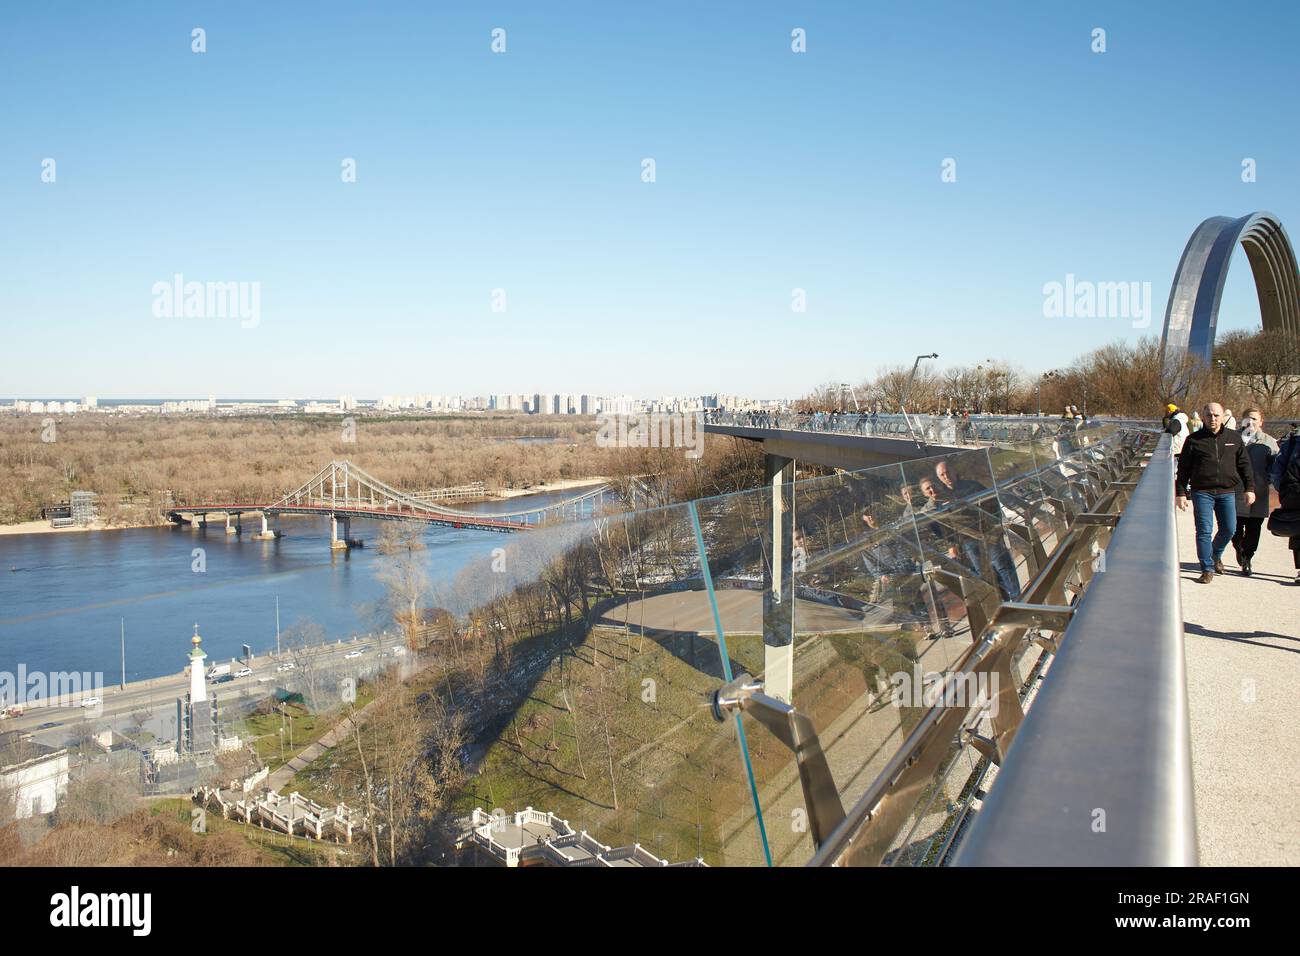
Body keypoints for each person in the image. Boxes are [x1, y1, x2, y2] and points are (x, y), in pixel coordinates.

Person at [1175, 403, 1254, 584]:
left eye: (1216, 415)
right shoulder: (1194, 440)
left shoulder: (1233, 438)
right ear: (1203, 417)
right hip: (1202, 492)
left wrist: (1250, 489)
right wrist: (1180, 493)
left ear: (1222, 417)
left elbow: (1245, 465)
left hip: (1227, 491)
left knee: (1229, 528)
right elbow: (1183, 469)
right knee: (1204, 531)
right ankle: (1207, 568)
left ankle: (1214, 555)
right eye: (1209, 415)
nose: (1213, 419)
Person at [932, 459, 1021, 600]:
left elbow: (992, 503)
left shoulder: (972, 486)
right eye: (942, 475)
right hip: (968, 540)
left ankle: (1017, 598)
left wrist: (996, 526)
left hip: (988, 533)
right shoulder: (940, 499)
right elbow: (945, 525)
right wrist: (952, 545)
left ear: (954, 471)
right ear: (939, 478)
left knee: (1002, 565)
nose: (946, 476)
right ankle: (1003, 600)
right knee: (984, 573)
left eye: (948, 472)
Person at [1231, 408, 1278, 576]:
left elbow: (1276, 466)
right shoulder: (1233, 438)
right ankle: (1238, 546)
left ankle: (1247, 557)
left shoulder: (1269, 442)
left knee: (1254, 528)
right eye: (1247, 419)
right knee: (1234, 527)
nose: (1250, 422)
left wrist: (1271, 482)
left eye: (1254, 419)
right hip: (1235, 490)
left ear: (1261, 422)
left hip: (1259, 491)